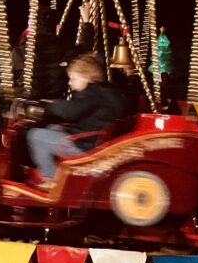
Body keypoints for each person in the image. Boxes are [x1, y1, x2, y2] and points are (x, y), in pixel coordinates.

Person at [27, 53, 128, 187]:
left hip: (84, 146)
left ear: (86, 77)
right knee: (53, 128)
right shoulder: (104, 92)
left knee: (35, 135)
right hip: (93, 140)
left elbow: (71, 111)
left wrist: (50, 105)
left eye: (73, 78)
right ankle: (57, 171)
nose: (70, 83)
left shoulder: (91, 94)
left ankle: (50, 178)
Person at [12, 4, 95, 100]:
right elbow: (84, 50)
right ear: (56, 27)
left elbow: (7, 84)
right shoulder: (66, 50)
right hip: (52, 106)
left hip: (22, 106)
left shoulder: (18, 52)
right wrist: (86, 21)